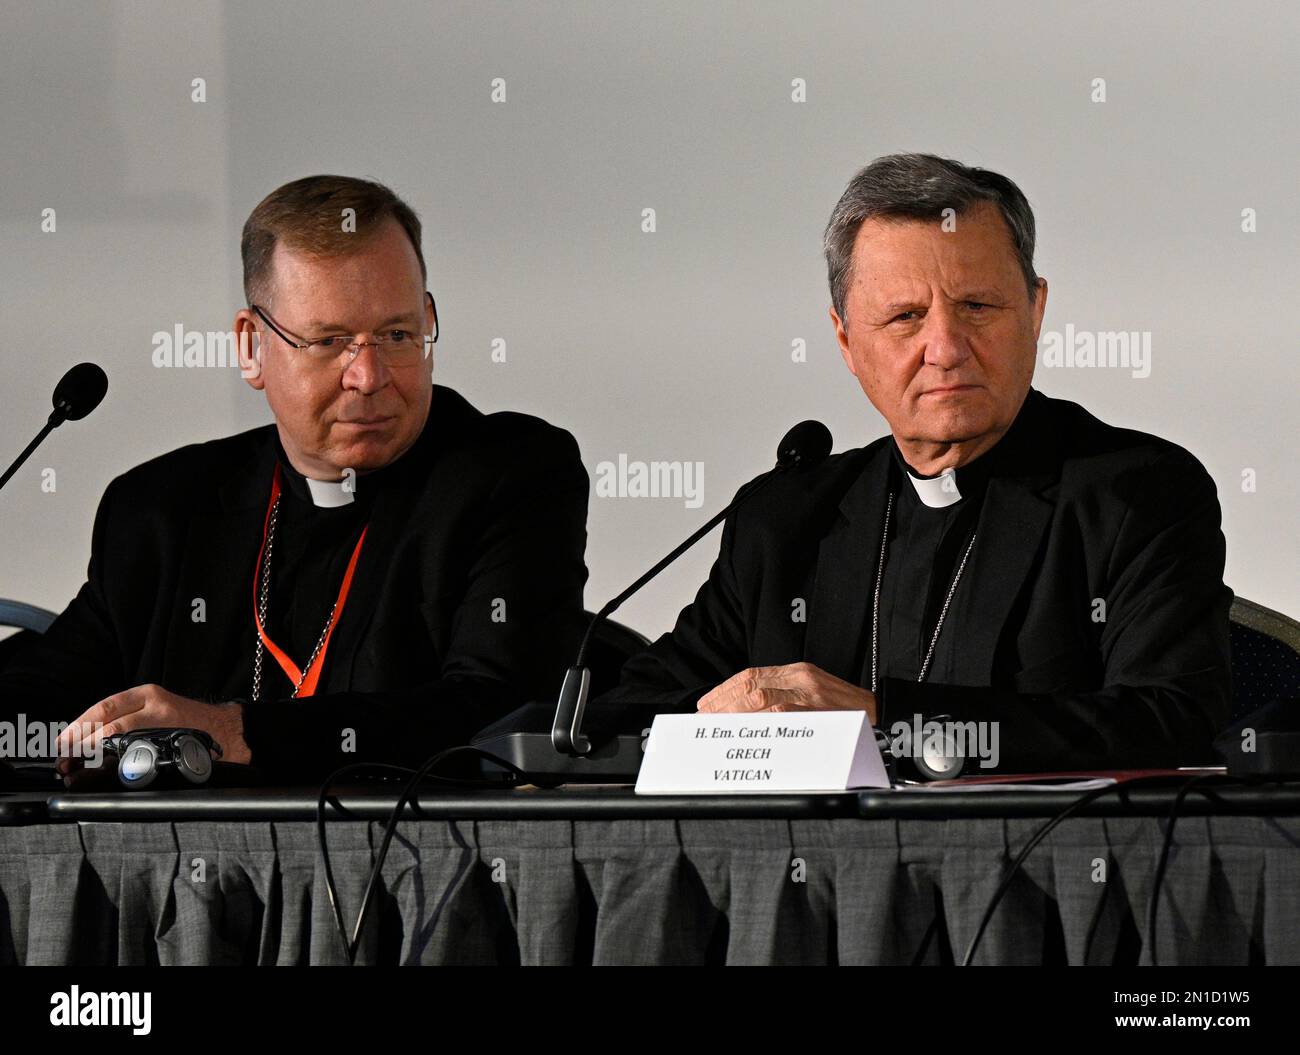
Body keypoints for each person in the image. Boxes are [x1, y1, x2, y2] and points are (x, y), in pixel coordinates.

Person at [597, 153, 1232, 773]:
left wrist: (890, 722)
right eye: (906, 317)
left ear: (1036, 311)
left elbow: (1168, 719)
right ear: (847, 340)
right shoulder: (785, 518)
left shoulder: (1136, 492)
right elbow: (628, 715)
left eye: (977, 307)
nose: (946, 349)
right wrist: (724, 722)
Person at [0, 175, 589, 779]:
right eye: (330, 341)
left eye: (396, 334)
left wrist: (236, 732)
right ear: (251, 346)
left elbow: (500, 709)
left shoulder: (511, 475)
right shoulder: (164, 508)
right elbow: (48, 697)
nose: (369, 375)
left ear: (429, 320)